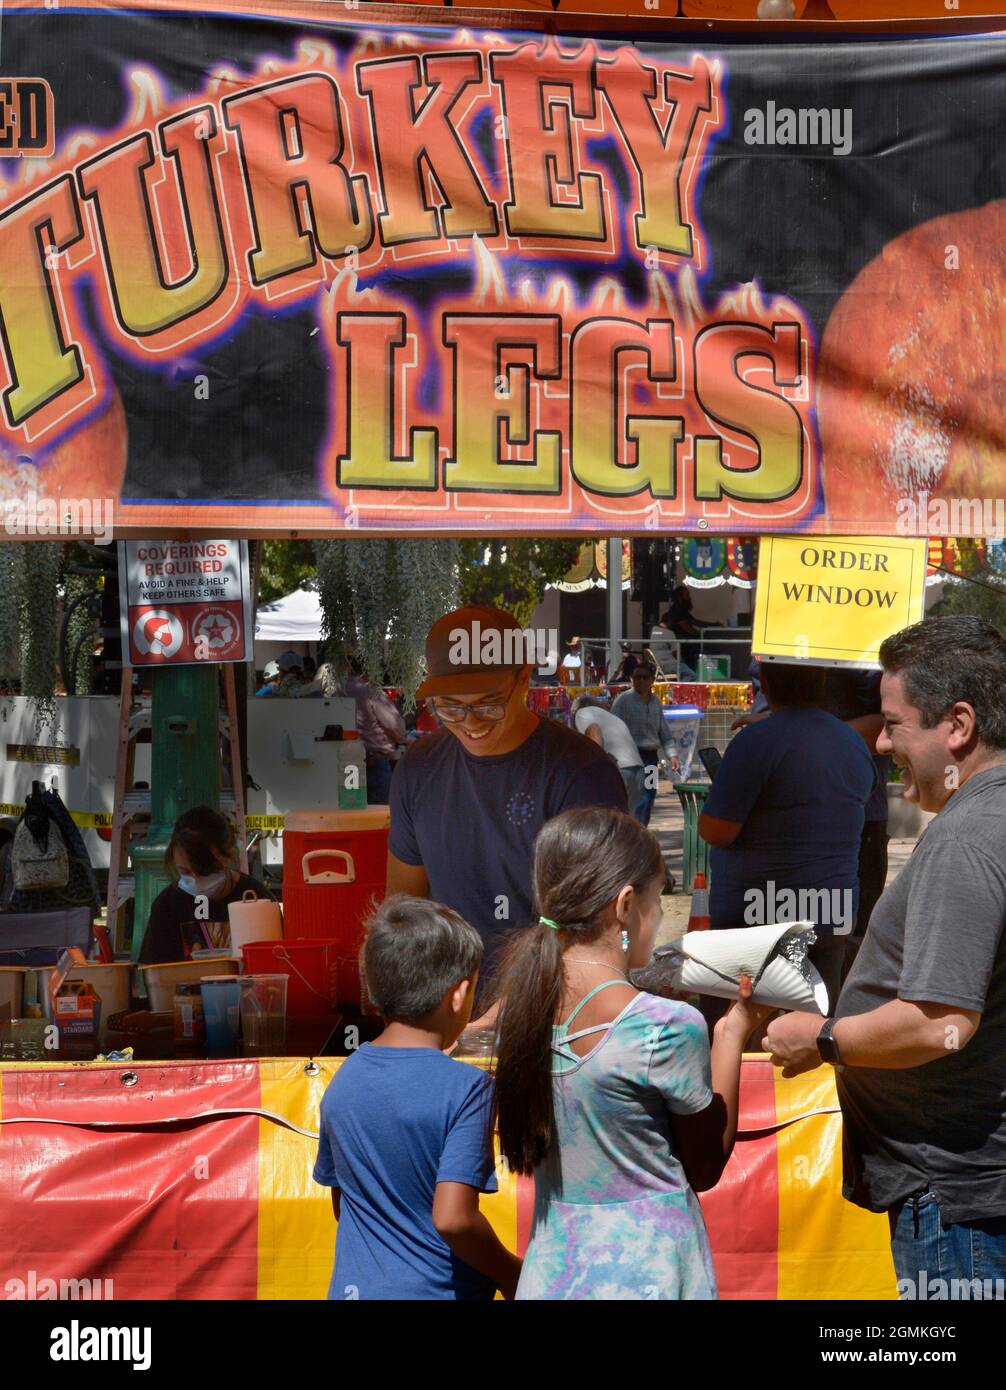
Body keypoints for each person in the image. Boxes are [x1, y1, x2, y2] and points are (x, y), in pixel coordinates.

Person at [766, 616, 1006, 1299]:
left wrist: (822, 1039)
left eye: (895, 723)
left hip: (959, 1198)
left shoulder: (968, 837)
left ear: (957, 726)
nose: (879, 740)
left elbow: (939, 1022)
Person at [491, 806, 770, 1300]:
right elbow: (705, 1166)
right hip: (649, 1276)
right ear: (625, 906)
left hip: (552, 1275)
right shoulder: (663, 1025)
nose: (660, 916)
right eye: (658, 899)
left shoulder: (522, 1010)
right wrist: (731, 1033)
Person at [387, 605, 627, 1024]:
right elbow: (406, 909)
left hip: (558, 1020)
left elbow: (590, 931)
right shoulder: (419, 767)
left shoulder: (581, 773)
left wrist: (498, 1018)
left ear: (523, 678)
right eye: (449, 707)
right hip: (449, 1010)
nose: (470, 722)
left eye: (489, 705)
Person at [313, 894, 521, 1300]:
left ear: (372, 987)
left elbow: (346, 1204)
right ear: (459, 995)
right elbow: (454, 1220)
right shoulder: (469, 1089)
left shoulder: (343, 1079)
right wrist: (512, 1273)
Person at [698, 662, 874, 1013]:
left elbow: (717, 831)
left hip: (756, 921)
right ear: (823, 680)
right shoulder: (852, 742)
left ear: (763, 682)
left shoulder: (755, 741)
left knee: (736, 1037)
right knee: (816, 1035)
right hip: (830, 913)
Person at [137, 806, 270, 963]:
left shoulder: (256, 898)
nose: (196, 880)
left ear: (230, 854)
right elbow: (155, 975)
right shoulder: (167, 905)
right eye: (185, 872)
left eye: (205, 871)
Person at [610, 664, 676, 825]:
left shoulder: (656, 702)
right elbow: (612, 727)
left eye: (645, 677)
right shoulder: (623, 700)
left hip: (650, 758)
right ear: (631, 680)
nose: (640, 681)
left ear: (652, 680)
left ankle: (642, 831)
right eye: (636, 677)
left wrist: (672, 754)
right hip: (630, 758)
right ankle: (632, 833)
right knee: (635, 797)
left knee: (649, 795)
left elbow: (664, 731)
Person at [344, 655, 408, 805]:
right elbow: (394, 725)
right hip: (372, 762)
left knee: (349, 813)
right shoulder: (370, 691)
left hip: (343, 761)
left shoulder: (334, 689)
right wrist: (403, 739)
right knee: (380, 817)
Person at [571, 693, 646, 810]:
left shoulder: (582, 713)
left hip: (619, 771)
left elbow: (594, 732)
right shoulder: (612, 717)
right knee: (627, 821)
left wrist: (595, 772)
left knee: (609, 819)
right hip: (638, 771)